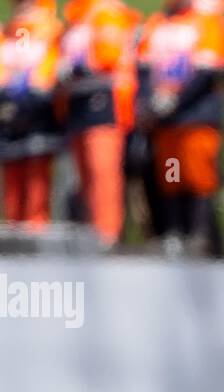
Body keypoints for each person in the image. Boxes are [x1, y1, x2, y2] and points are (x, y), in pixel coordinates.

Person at [137, 0, 224, 256]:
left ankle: (199, 234)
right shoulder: (157, 23)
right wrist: (149, 103)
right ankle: (174, 232)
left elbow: (207, 70)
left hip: (196, 115)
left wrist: (176, 101)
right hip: (165, 119)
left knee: (198, 175)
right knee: (170, 177)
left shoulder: (207, 22)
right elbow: (143, 67)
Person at [59, 0, 142, 249]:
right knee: (83, 173)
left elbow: (109, 54)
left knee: (102, 169)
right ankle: (89, 230)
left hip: (104, 99)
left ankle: (107, 233)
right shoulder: (76, 15)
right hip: (78, 101)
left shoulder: (107, 11)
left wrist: (76, 67)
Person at [0, 0, 65, 228]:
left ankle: (35, 231)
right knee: (12, 184)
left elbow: (50, 72)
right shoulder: (1, 34)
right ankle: (13, 232)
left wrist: (32, 92)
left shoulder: (51, 31)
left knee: (37, 183)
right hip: (9, 117)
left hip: (39, 115)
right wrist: (3, 94)